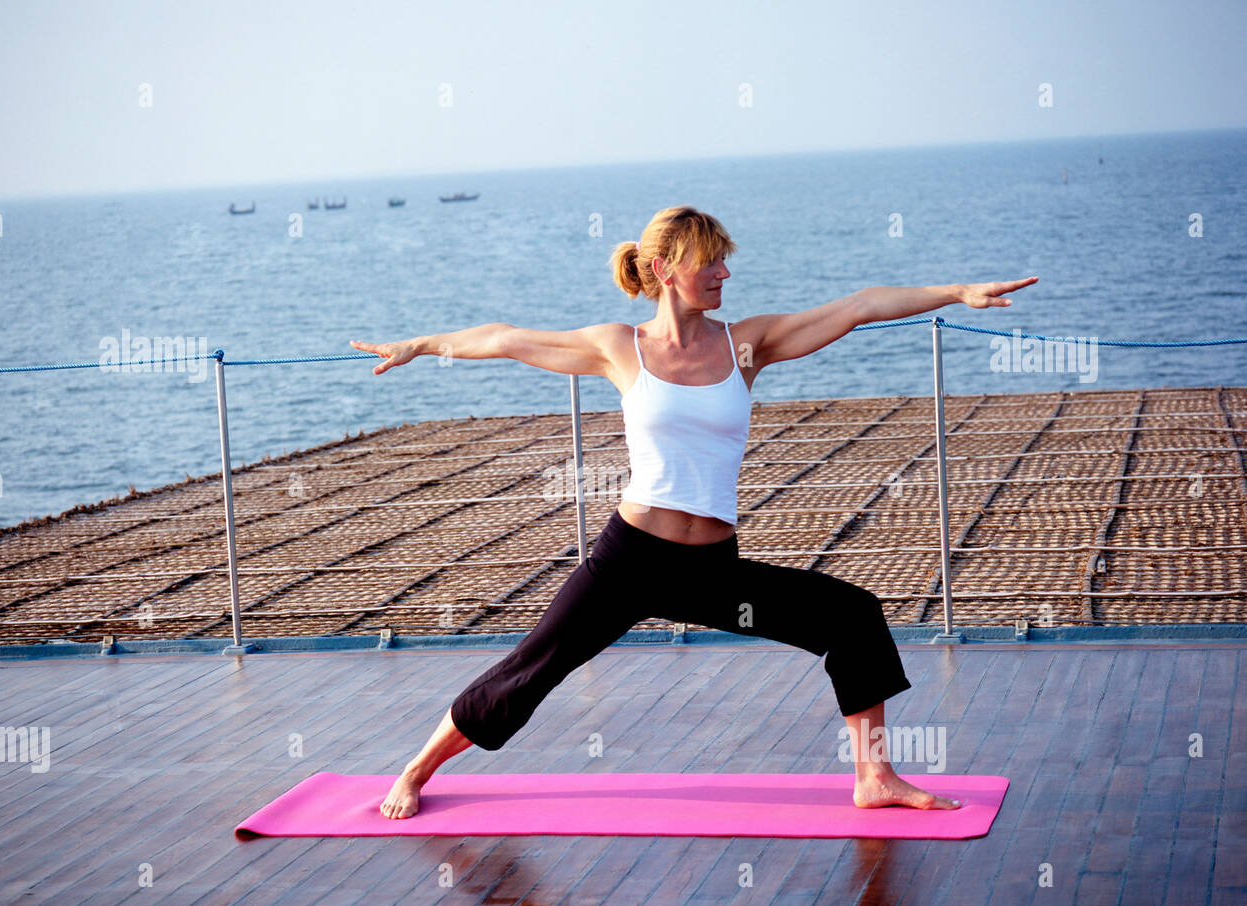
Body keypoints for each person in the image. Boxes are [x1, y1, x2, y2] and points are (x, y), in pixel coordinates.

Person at [350, 205, 1037, 819]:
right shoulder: (621, 347)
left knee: (850, 615)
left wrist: (956, 292)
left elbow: (858, 305)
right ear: (664, 269)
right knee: (532, 671)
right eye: (711, 260)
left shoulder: (746, 344)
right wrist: (423, 344)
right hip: (629, 561)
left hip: (712, 571)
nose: (725, 273)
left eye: (725, 259)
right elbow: (502, 337)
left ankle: (874, 775)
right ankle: (417, 767)